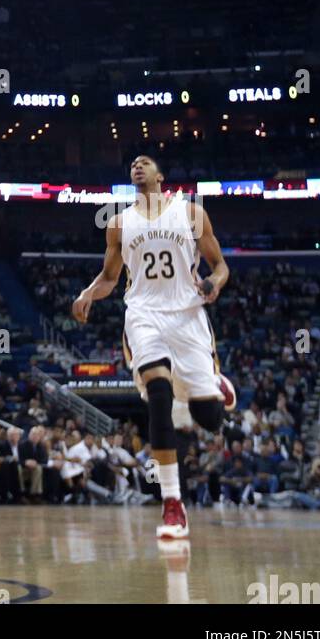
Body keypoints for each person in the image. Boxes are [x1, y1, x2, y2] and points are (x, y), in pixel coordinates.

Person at [72, 156, 234, 541]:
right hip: (144, 316)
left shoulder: (191, 213)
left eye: (146, 163)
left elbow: (221, 266)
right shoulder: (119, 224)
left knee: (208, 417)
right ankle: (173, 504)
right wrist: (87, 293)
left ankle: (215, 385)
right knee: (158, 395)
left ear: (161, 176)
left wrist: (214, 284)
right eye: (133, 163)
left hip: (188, 318)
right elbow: (111, 278)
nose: (137, 165)